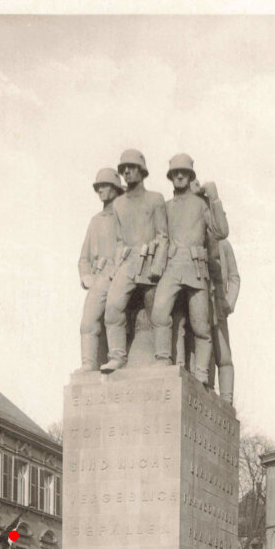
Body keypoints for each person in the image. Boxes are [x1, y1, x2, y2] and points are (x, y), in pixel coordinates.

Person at [150, 154, 228, 384]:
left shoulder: (201, 204)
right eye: (175, 173)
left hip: (196, 269)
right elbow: (160, 237)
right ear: (171, 177)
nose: (180, 176)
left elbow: (221, 232)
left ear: (190, 175)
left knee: (200, 325)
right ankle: (163, 357)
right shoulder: (164, 207)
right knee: (159, 312)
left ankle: (202, 372)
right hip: (172, 267)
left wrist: (214, 198)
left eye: (183, 172)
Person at [101, 149, 169, 373]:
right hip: (128, 262)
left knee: (157, 311)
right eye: (123, 169)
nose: (127, 172)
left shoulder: (155, 199)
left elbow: (163, 235)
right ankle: (117, 356)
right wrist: (118, 265)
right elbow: (119, 240)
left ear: (142, 171)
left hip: (150, 260)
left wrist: (158, 263)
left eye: (131, 168)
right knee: (112, 306)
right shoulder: (119, 204)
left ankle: (163, 356)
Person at [77, 168, 124, 372]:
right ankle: (88, 364)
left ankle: (117, 357)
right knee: (87, 323)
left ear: (115, 188)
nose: (101, 190)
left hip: (121, 274)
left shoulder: (125, 216)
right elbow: (83, 257)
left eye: (105, 186)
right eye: (98, 187)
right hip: (99, 277)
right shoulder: (95, 220)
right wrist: (86, 275)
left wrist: (119, 270)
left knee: (113, 316)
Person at [209, 236, 240, 404]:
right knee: (206, 352)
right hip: (200, 304)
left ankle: (227, 401)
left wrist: (229, 302)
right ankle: (208, 392)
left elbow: (234, 277)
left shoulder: (223, 244)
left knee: (224, 355)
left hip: (219, 304)